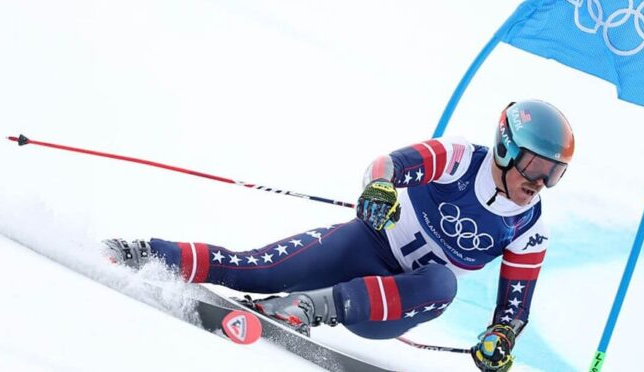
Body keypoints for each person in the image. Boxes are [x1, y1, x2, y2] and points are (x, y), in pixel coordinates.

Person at [105, 99, 574, 372]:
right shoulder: (458, 159)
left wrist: (502, 338)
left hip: (391, 305)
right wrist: (378, 188)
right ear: (506, 146)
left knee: (443, 285)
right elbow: (386, 165)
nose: (540, 181)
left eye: (554, 174)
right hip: (361, 245)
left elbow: (513, 310)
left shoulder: (531, 227)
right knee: (255, 269)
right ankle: (142, 252)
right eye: (535, 165)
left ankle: (310, 306)